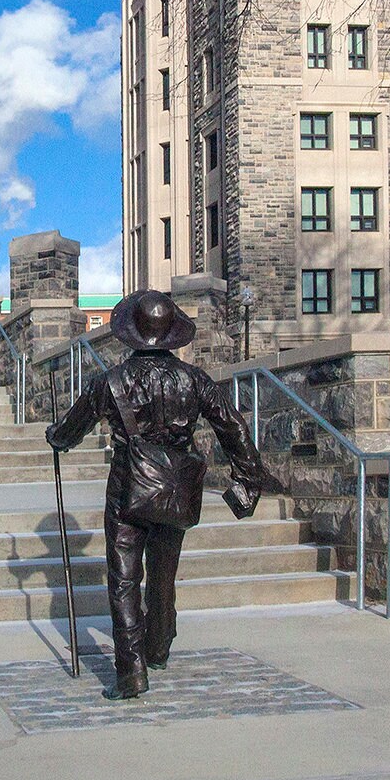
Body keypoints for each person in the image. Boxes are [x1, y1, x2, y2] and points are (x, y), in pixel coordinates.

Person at [47, 289, 281, 699]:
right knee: (163, 571)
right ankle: (157, 646)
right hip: (176, 485)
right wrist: (247, 480)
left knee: (124, 578)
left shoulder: (110, 382)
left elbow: (70, 429)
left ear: (131, 334)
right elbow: (233, 428)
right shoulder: (195, 380)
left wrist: (57, 437)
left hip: (128, 487)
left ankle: (131, 671)